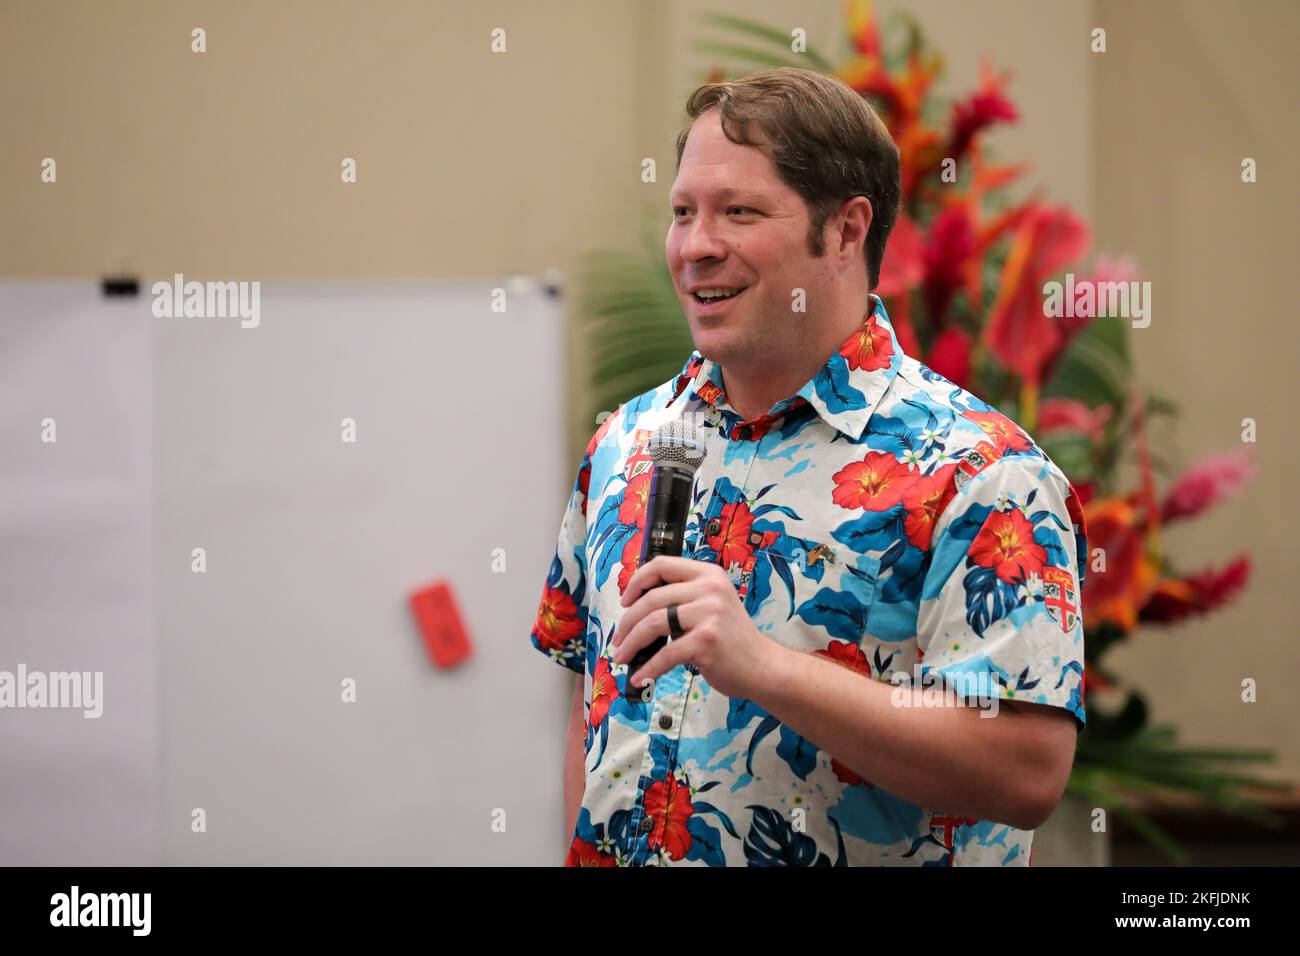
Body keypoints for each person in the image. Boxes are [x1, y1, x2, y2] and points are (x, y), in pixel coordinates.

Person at [530, 67, 1088, 866]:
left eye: (740, 213)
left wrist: (763, 668)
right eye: (683, 212)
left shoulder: (982, 472)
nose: (696, 246)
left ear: (847, 229)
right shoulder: (627, 441)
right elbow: (595, 722)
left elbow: (1026, 771)